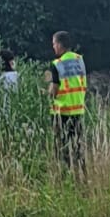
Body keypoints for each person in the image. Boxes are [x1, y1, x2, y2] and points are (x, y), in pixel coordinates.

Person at [47, 31, 87, 168]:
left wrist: (46, 93)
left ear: (59, 44)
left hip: (61, 111)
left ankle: (65, 172)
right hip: (78, 109)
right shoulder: (79, 60)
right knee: (78, 145)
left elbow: (54, 90)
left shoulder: (57, 64)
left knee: (62, 146)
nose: (53, 47)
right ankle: (81, 172)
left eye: (54, 44)